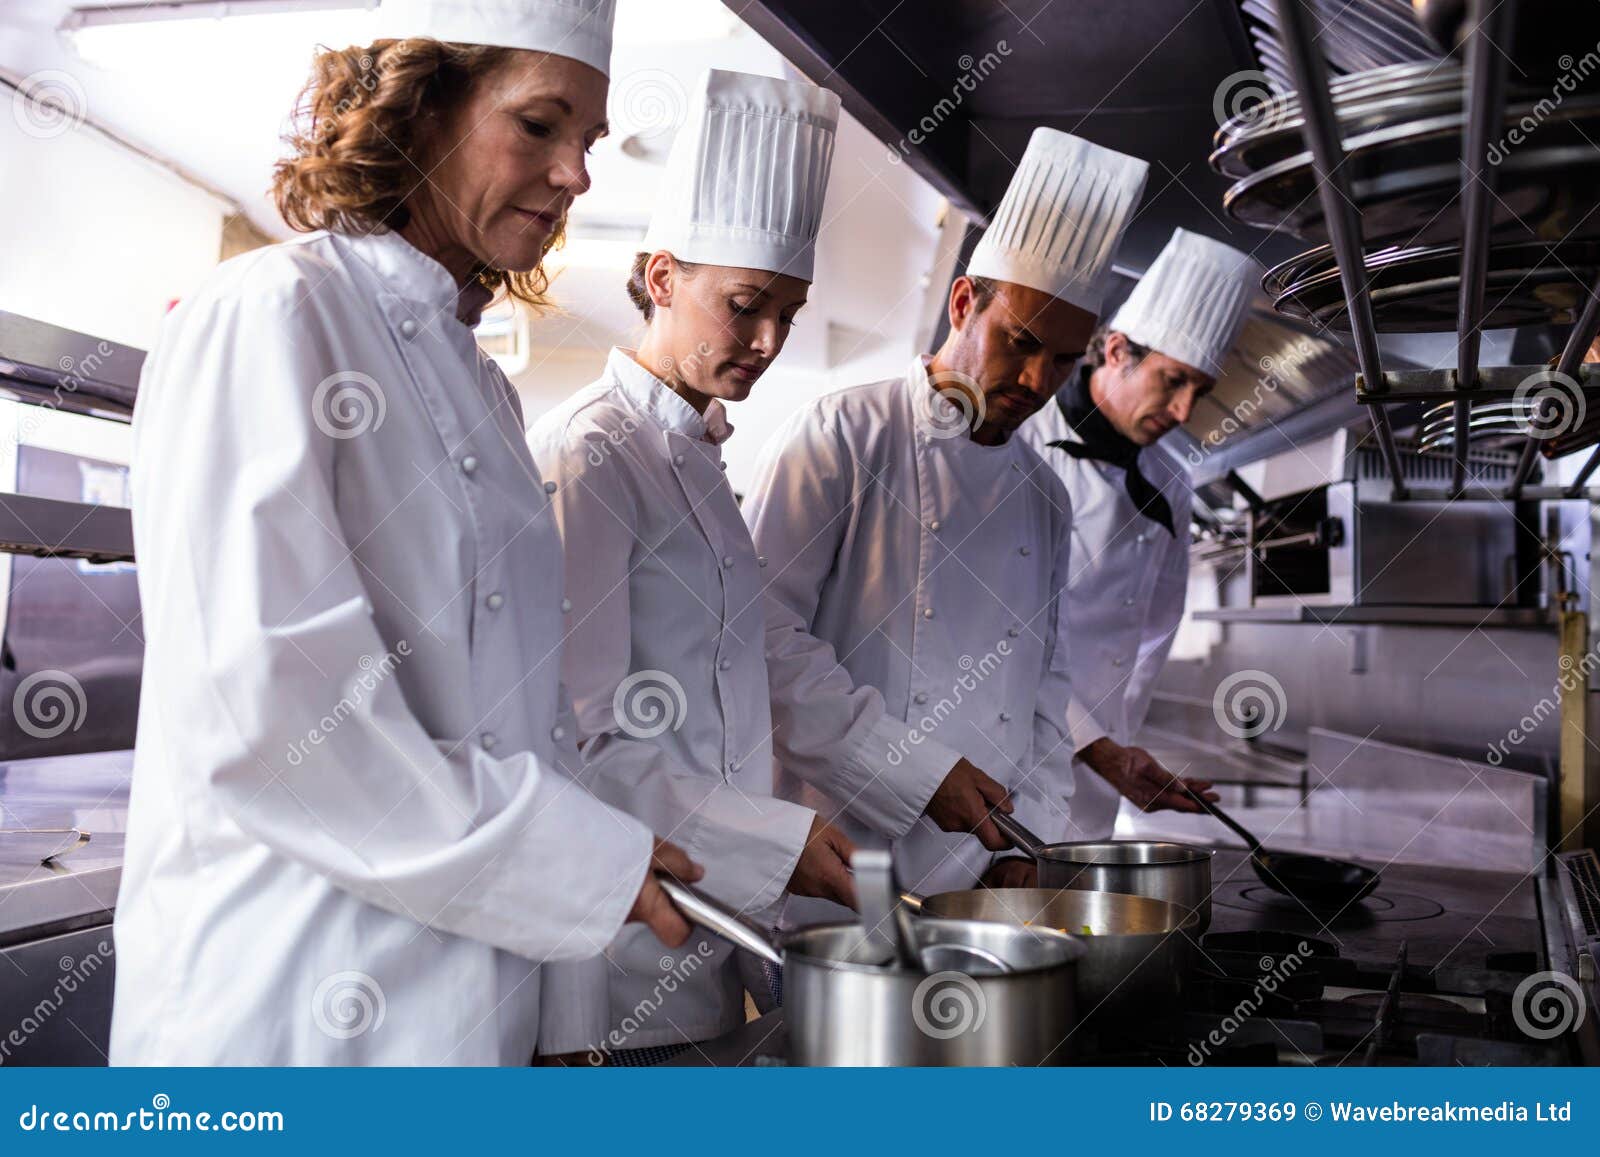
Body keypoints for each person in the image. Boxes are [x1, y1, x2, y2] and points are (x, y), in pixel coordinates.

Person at [110, 0, 702, 1066]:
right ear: (419, 108)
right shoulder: (271, 311)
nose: (576, 174)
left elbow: (516, 725)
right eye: (539, 125)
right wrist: (572, 862)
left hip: (465, 1014)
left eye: (589, 140)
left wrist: (608, 860)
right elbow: (272, 711)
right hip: (285, 1010)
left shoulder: (486, 388)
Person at [526, 69, 854, 1064]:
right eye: (746, 305)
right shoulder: (591, 453)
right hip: (614, 959)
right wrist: (772, 840)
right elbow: (575, 737)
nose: (767, 340)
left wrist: (774, 837)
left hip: (707, 923)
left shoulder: (701, 459)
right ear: (662, 277)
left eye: (789, 313)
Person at [744, 128, 1147, 912]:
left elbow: (1046, 684)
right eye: (1021, 342)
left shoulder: (1045, 493)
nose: (1038, 379)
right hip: (844, 872)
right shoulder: (843, 435)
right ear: (964, 304)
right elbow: (764, 641)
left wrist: (1030, 841)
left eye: (1065, 360)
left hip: (985, 877)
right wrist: (917, 773)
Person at [1016, 227, 1257, 840]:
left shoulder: (1171, 479)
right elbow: (1002, 631)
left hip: (1098, 781)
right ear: (1118, 351)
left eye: (1199, 392)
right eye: (1173, 381)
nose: (1184, 412)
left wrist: (1120, 752)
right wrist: (1099, 748)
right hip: (1004, 760)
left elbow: (1153, 633)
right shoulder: (1018, 446)